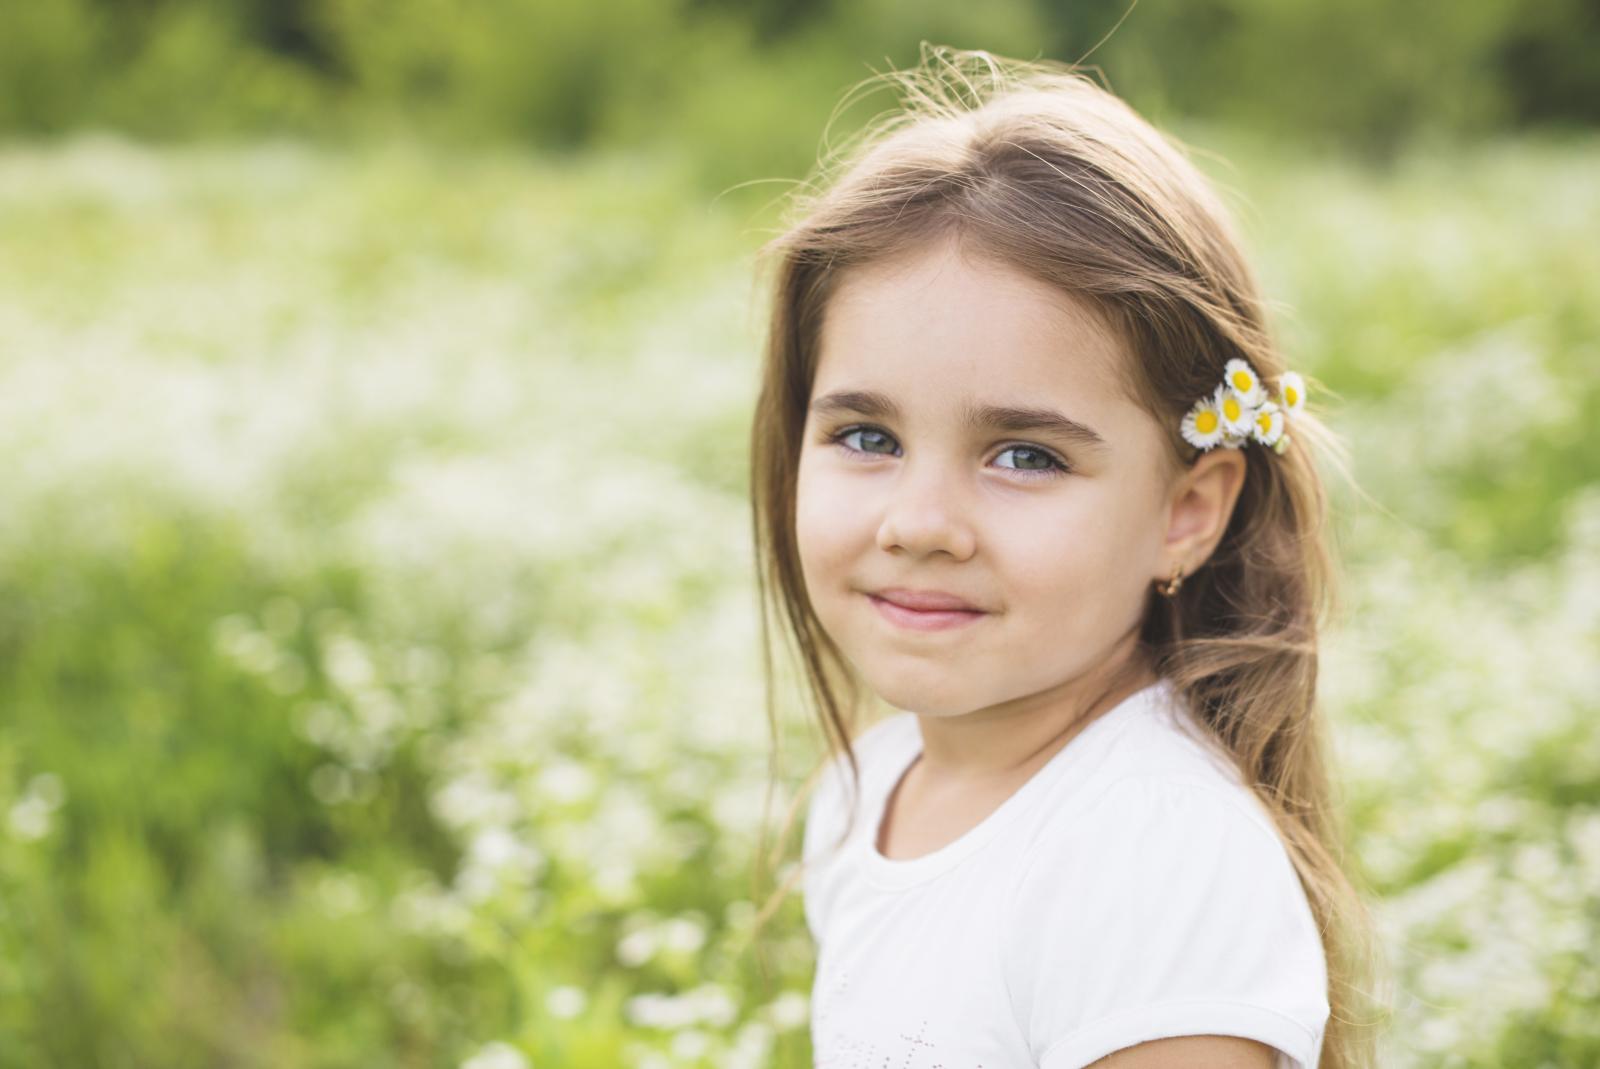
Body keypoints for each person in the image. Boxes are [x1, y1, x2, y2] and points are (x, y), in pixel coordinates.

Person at [745, 44, 1383, 1069]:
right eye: (866, 436)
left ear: (1185, 511)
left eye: (1024, 455)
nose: (920, 523)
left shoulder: (1159, 870)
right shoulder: (874, 782)